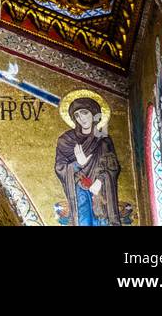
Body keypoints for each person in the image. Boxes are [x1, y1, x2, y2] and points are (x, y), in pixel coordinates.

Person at [53, 95, 122, 225]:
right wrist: (78, 164)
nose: (81, 118)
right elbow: (60, 167)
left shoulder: (103, 141)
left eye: (84, 113)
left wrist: (100, 181)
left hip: (100, 192)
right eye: (77, 115)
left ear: (94, 114)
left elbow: (113, 167)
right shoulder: (66, 140)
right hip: (79, 191)